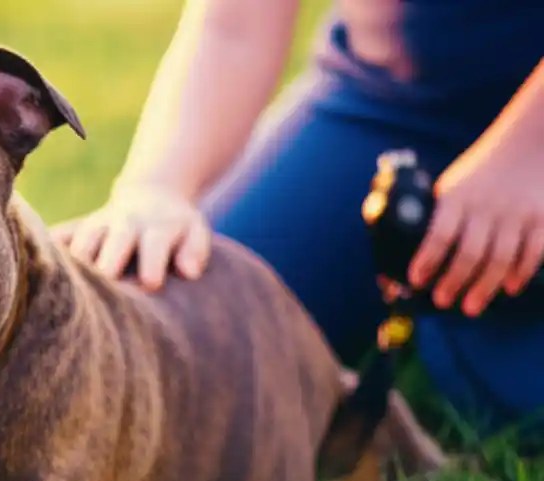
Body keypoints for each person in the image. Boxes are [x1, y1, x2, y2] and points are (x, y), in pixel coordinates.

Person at [54, 0, 544, 444]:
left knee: (510, 391)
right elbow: (235, 27)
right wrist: (156, 188)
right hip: (382, 105)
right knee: (183, 345)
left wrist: (529, 152)